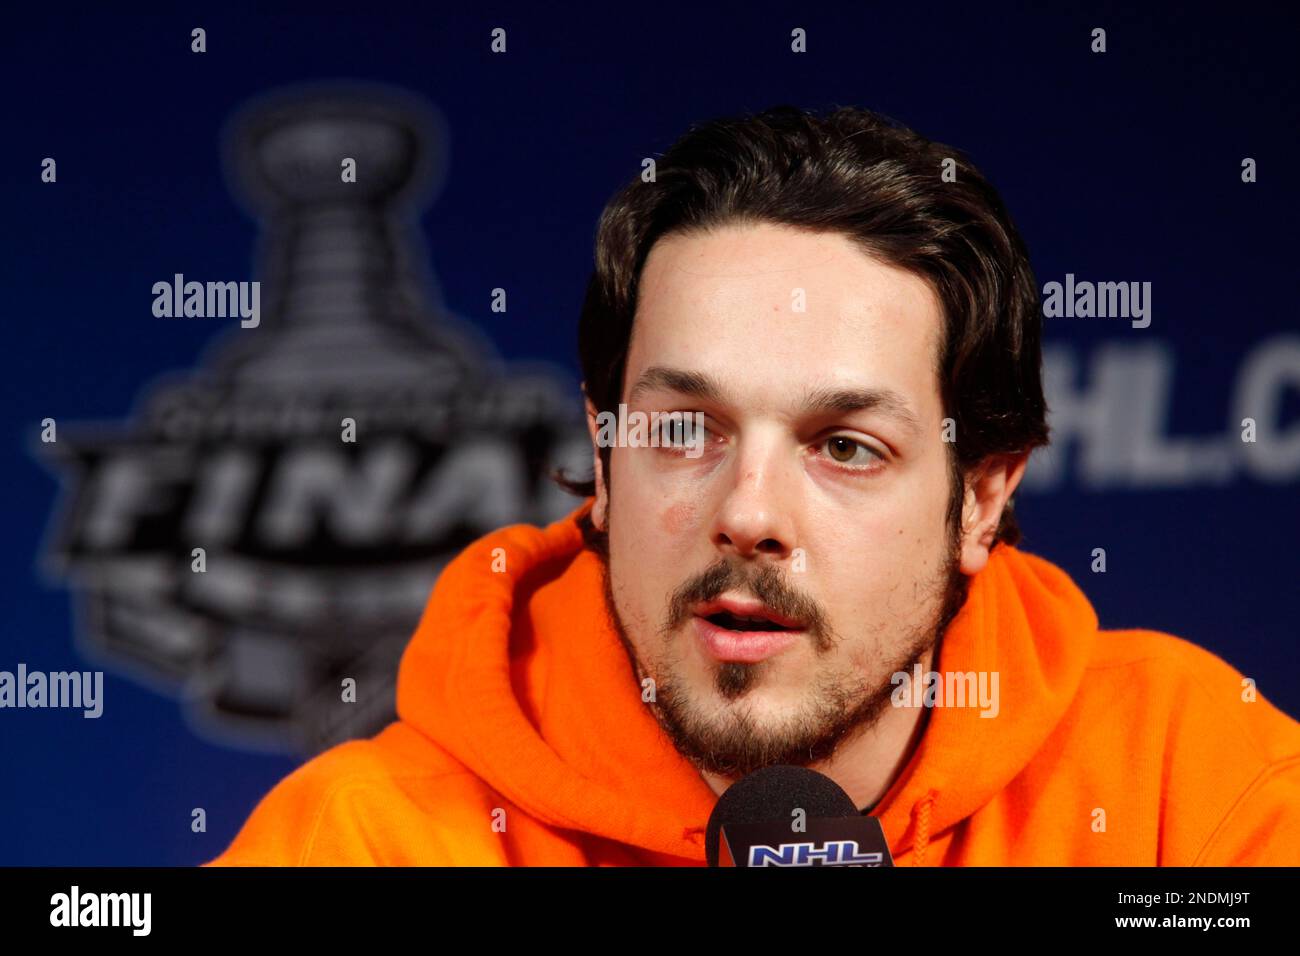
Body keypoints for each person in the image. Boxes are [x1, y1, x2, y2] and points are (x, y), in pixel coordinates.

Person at [207, 105, 1300, 866]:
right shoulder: (364, 843)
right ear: (604, 452)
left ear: (979, 498)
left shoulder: (1184, 783)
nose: (748, 513)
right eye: (684, 428)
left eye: (845, 446)